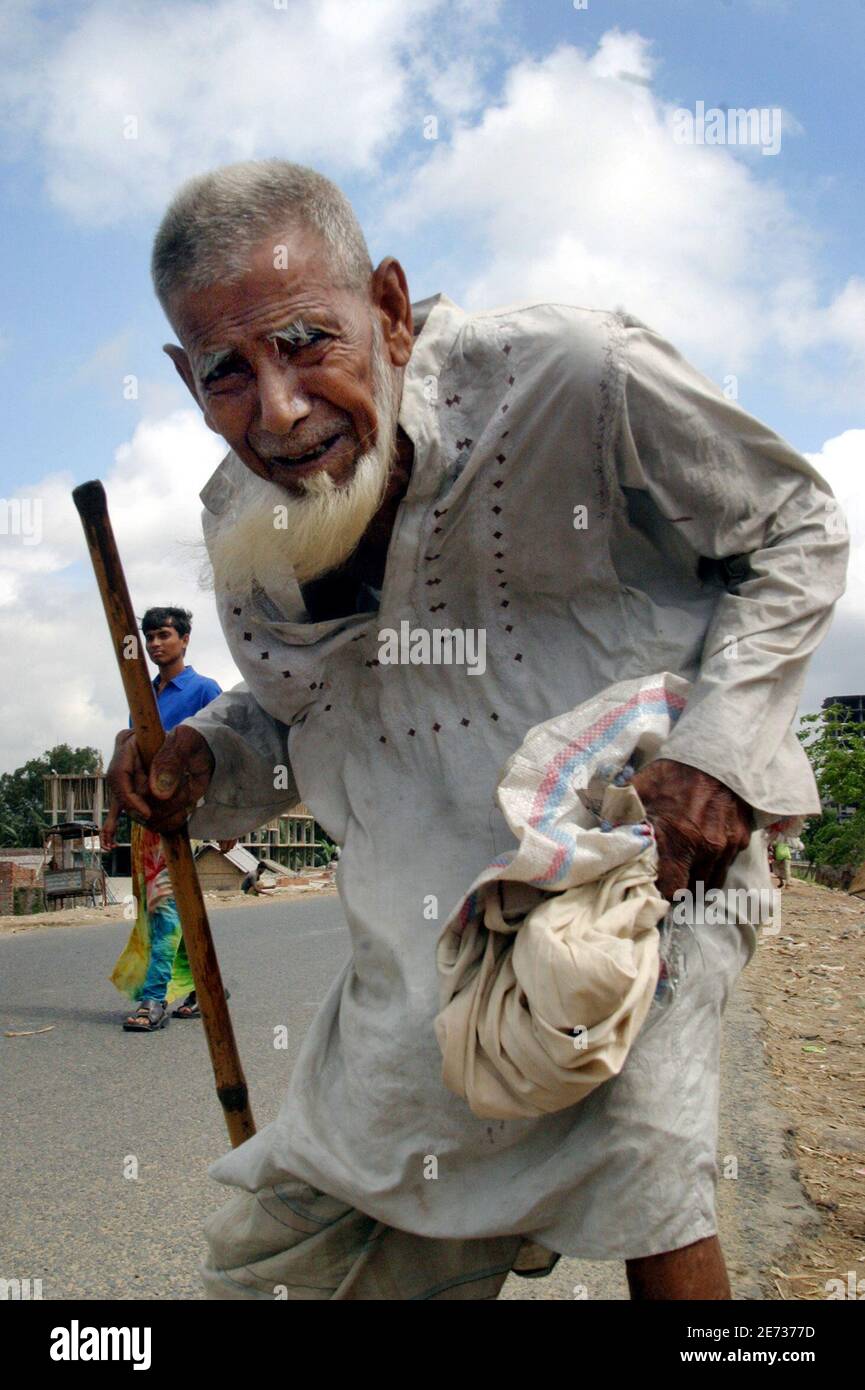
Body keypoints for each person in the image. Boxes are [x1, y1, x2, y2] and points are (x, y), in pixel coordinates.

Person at [107, 160, 848, 1298]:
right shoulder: (242, 526)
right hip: (430, 917)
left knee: (642, 1148)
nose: (280, 408)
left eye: (308, 339)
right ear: (184, 374)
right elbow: (309, 713)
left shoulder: (573, 374)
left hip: (633, 861)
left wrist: (717, 752)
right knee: (343, 1214)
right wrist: (208, 756)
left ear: (391, 309)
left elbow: (793, 525)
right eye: (226, 373)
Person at [102, 606, 223, 1030]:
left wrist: (229, 824)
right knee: (167, 907)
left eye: (164, 635)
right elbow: (128, 765)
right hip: (145, 825)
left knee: (164, 909)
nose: (155, 644)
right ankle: (202, 986)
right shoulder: (142, 696)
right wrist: (113, 817)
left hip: (184, 821)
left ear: (185, 639)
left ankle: (153, 1000)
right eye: (150, 636)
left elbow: (223, 756)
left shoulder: (205, 690)